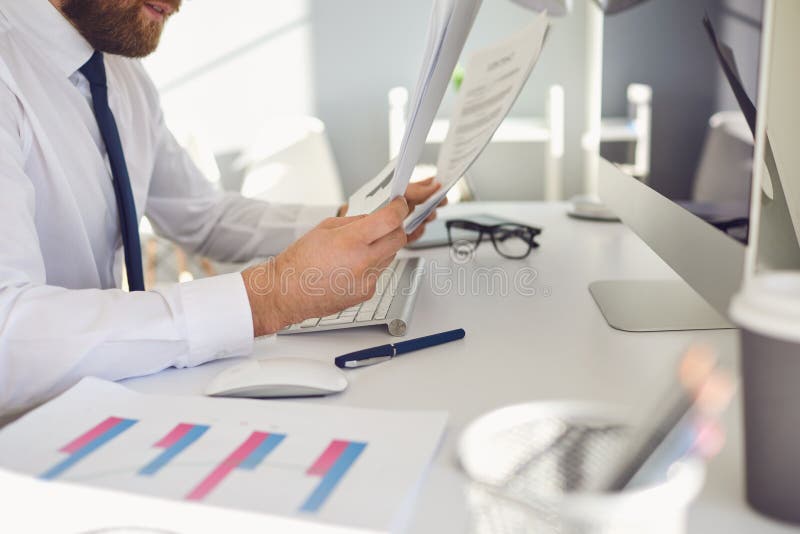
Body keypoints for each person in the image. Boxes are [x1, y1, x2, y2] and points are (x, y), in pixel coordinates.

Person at [0, 0, 444, 417]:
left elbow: (205, 216)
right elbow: (8, 334)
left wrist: (350, 221)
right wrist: (266, 299)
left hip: (101, 403)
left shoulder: (124, 80)